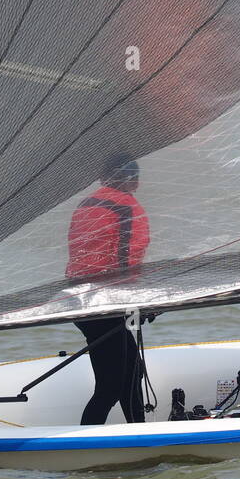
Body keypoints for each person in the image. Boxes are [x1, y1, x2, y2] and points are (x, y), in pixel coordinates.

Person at [66, 155, 150, 425]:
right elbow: (130, 258)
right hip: (108, 301)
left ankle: (139, 432)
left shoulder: (86, 203)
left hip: (80, 301)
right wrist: (138, 301)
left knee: (129, 373)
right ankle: (84, 444)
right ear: (133, 181)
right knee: (112, 384)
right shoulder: (129, 208)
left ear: (104, 177)